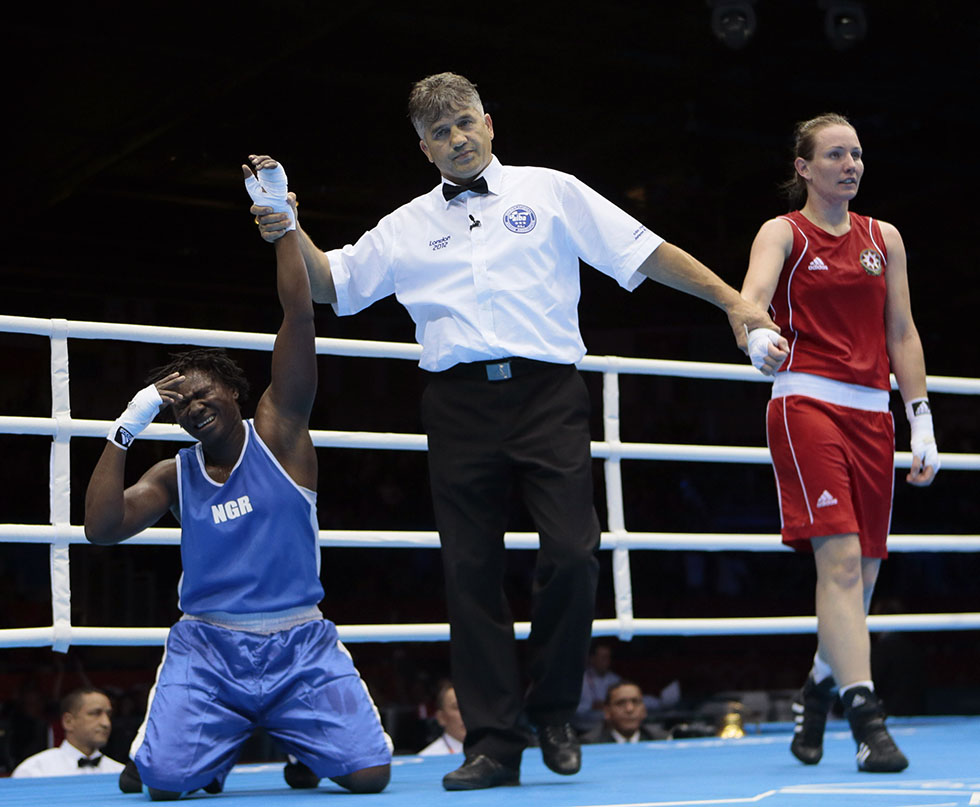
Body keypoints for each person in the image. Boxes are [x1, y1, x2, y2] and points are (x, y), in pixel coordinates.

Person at [252, 72, 777, 791]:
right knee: (469, 573)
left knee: (575, 552)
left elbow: (643, 249)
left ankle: (554, 710)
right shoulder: (406, 224)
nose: (457, 139)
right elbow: (329, 284)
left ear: (489, 123)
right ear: (424, 148)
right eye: (440, 132)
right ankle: (495, 744)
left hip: (547, 395)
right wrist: (287, 224)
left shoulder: (550, 191)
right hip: (457, 404)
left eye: (465, 123)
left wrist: (734, 302)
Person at [84, 158, 392, 800]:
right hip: (209, 647)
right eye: (180, 405)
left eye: (204, 393)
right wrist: (126, 427)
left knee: (370, 777)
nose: (194, 407)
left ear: (232, 390)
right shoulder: (173, 475)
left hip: (299, 643)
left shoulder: (280, 435)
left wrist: (282, 224)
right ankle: (204, 747)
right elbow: (102, 529)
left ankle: (292, 740)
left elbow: (298, 316)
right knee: (163, 785)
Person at [740, 113, 939, 773]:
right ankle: (867, 720)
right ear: (803, 167)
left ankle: (818, 687)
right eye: (834, 154)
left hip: (873, 415)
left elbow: (902, 330)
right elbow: (752, 297)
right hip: (806, 403)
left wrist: (920, 416)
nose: (850, 164)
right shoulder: (782, 232)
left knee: (865, 578)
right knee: (843, 565)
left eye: (856, 153)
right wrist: (756, 335)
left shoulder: (885, 237)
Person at [11, 689, 125, 777]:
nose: (106, 723)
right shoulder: (34, 770)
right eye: (95, 713)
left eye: (109, 715)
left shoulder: (120, 772)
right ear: (68, 721)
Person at [584, 681, 665, 744]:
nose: (629, 709)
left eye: (635, 702)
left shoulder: (661, 740)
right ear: (607, 711)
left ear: (644, 710)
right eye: (621, 703)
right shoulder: (590, 744)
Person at [574, 641, 621, 732]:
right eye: (603, 657)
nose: (606, 661)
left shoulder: (615, 679)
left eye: (608, 657)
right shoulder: (580, 679)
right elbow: (572, 710)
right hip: (582, 727)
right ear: (592, 658)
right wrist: (591, 706)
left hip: (609, 727)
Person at [418, 682, 466, 756]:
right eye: (457, 707)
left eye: (470, 707)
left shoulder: (484, 751)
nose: (466, 713)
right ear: (441, 717)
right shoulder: (429, 756)